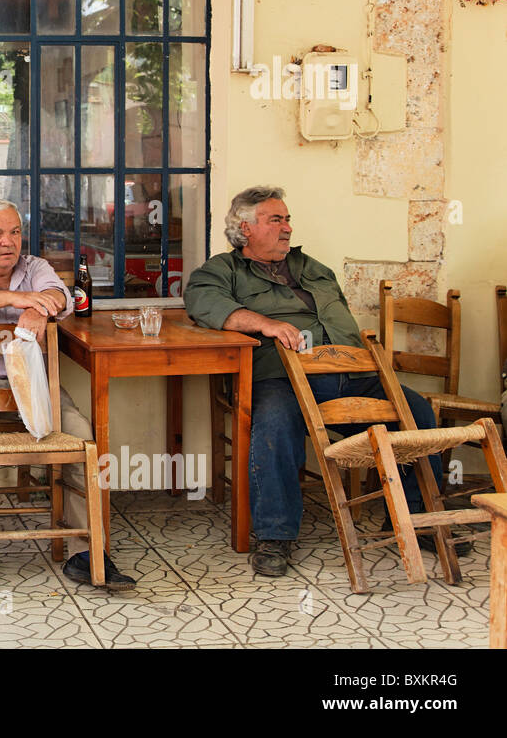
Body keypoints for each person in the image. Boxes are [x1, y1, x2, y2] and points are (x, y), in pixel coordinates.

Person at [184, 185, 451, 578]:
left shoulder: (312, 267)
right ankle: (274, 536)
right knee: (275, 422)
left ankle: (415, 518)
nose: (287, 227)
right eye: (276, 219)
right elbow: (203, 303)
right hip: (281, 376)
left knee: (418, 412)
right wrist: (266, 324)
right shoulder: (222, 270)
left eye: (287, 218)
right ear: (246, 228)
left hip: (353, 373)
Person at [0, 200, 137, 591]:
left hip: (32, 384)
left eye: (14, 233)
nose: (8, 242)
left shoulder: (35, 267)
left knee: (82, 437)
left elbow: (60, 295)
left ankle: (85, 550)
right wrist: (17, 300)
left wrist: (44, 307)